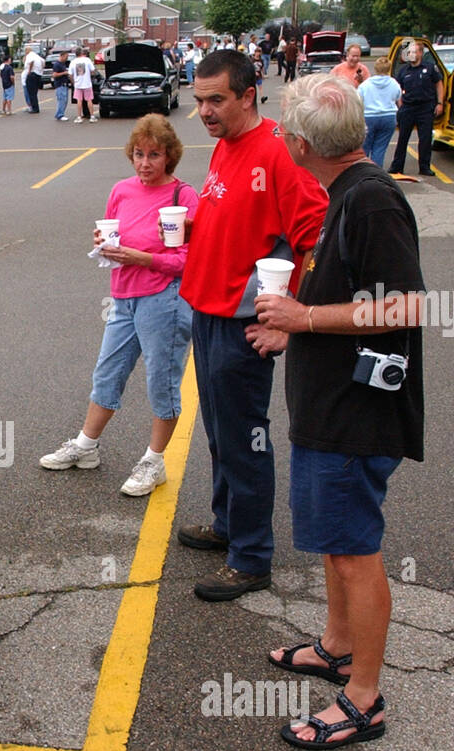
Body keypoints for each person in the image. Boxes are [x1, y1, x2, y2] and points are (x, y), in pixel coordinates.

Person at [248, 75, 425, 749]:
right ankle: (338, 646)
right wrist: (292, 329)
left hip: (357, 415)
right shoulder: (343, 193)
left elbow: (409, 307)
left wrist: (304, 314)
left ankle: (363, 698)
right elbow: (352, 293)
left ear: (298, 143)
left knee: (354, 551)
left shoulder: (372, 202)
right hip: (330, 410)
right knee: (333, 541)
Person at [178, 50, 328, 601]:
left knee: (245, 442)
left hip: (242, 324)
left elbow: (315, 241)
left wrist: (291, 321)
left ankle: (251, 557)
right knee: (220, 436)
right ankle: (227, 525)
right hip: (205, 311)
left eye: (216, 99)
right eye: (198, 101)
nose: (205, 111)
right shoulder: (226, 144)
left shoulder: (279, 152)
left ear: (249, 95)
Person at [40, 114, 200, 497]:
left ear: (170, 157)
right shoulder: (122, 190)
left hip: (165, 299)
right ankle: (86, 445)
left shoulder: (184, 198)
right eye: (139, 154)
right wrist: (104, 242)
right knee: (107, 373)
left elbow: (190, 261)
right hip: (123, 296)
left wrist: (141, 257)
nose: (145, 163)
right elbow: (112, 233)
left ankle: (154, 461)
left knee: (161, 383)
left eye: (154, 155)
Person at [388, 41, 444, 177]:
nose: (411, 55)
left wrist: (440, 103)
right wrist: (400, 104)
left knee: (425, 139)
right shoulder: (403, 71)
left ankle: (424, 167)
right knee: (402, 139)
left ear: (420, 53)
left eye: (413, 52)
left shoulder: (430, 68)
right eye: (409, 53)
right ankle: (397, 166)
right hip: (407, 108)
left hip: (425, 108)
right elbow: (397, 88)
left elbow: (439, 84)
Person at [358, 57, 400, 167]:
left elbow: (358, 100)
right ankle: (376, 173)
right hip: (388, 116)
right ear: (389, 69)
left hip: (369, 116)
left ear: (375, 69)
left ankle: (364, 171)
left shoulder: (366, 84)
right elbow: (397, 97)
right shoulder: (394, 83)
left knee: (365, 147)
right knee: (380, 148)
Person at [69, 47, 96, 123]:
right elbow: (93, 70)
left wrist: (73, 82)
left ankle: (79, 117)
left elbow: (70, 74)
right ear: (82, 53)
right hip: (87, 83)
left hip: (78, 84)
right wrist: (90, 76)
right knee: (89, 100)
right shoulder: (87, 60)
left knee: (79, 100)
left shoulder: (73, 62)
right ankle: (92, 116)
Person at [50, 49, 71, 120]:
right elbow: (54, 75)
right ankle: (60, 115)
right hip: (60, 85)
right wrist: (64, 73)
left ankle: (61, 113)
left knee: (64, 100)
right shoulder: (57, 64)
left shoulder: (63, 64)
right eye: (66, 57)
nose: (67, 58)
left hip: (65, 84)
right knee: (61, 100)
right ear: (62, 56)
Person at [24, 45, 44, 113]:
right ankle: (35, 107)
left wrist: (29, 71)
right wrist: (41, 70)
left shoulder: (30, 55)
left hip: (32, 74)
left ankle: (34, 108)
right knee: (34, 93)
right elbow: (43, 61)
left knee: (31, 93)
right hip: (38, 74)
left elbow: (31, 61)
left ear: (27, 51)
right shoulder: (36, 55)